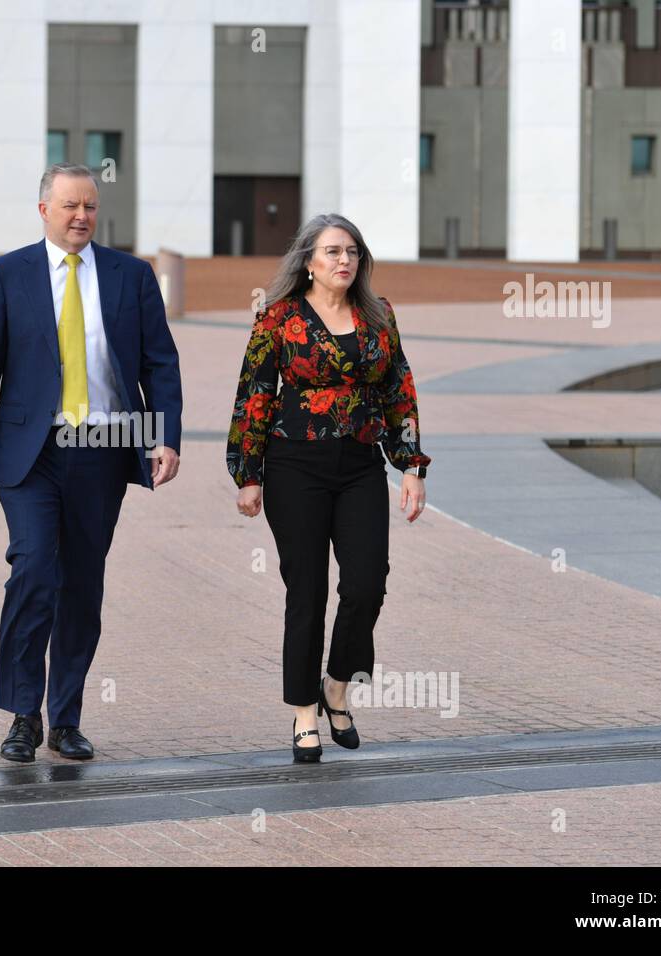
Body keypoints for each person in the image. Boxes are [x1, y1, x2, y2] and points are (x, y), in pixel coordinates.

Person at [0, 162, 183, 762]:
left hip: (104, 451)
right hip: (30, 453)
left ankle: (65, 719)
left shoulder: (131, 276)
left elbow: (161, 361)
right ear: (43, 211)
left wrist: (163, 437)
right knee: (33, 571)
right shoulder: (8, 274)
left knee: (82, 585)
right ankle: (22, 715)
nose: (81, 216)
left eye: (89, 206)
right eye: (69, 206)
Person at [226, 212, 430, 763]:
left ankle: (337, 684)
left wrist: (410, 466)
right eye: (333, 251)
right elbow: (254, 394)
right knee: (308, 591)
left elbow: (398, 389)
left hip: (361, 465)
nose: (344, 261)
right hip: (295, 466)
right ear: (308, 261)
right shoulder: (279, 318)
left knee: (367, 583)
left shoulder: (379, 315)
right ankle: (303, 713)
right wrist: (248, 473)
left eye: (352, 252)